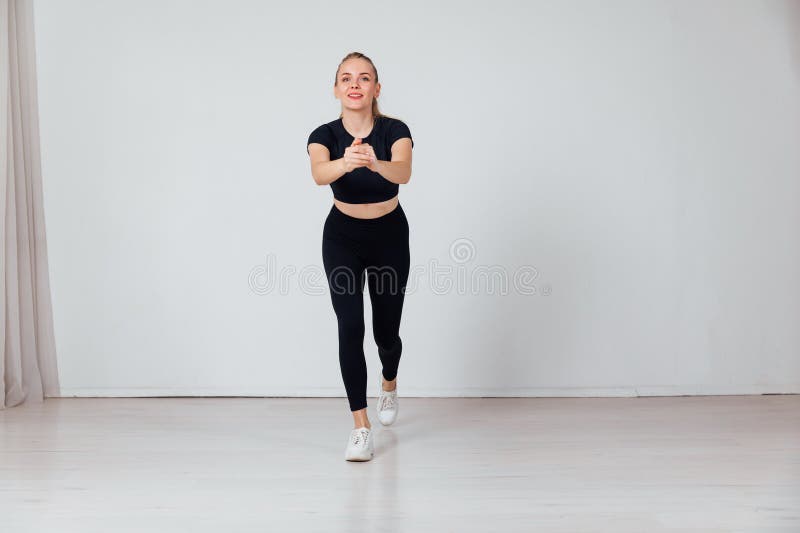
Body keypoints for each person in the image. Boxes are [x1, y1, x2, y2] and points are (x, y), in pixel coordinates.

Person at [306, 52, 414, 461]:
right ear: (336, 89)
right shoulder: (323, 135)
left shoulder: (395, 130)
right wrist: (344, 162)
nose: (355, 84)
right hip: (342, 237)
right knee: (350, 324)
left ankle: (389, 382)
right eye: (346, 78)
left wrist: (374, 161)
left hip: (389, 235)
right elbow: (319, 174)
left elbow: (404, 172)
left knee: (386, 333)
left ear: (376, 89)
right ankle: (360, 426)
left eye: (364, 78)